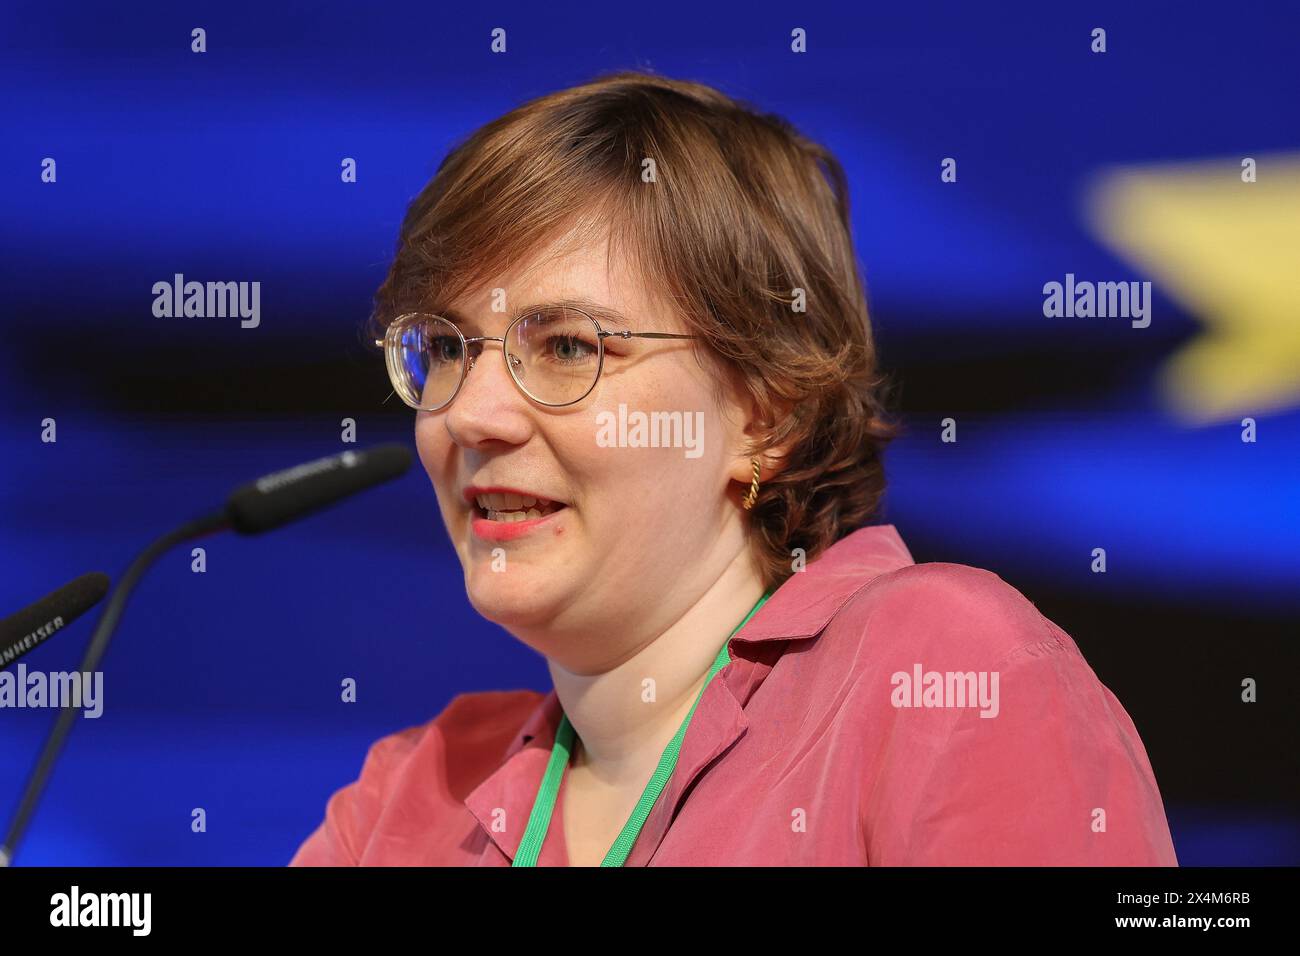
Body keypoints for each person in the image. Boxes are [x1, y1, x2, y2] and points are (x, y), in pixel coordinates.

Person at [290, 71, 1178, 866]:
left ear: (767, 413)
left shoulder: (941, 674)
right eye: (444, 348)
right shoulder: (407, 803)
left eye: (567, 346)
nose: (470, 413)